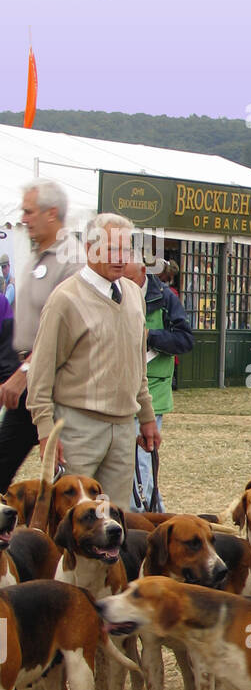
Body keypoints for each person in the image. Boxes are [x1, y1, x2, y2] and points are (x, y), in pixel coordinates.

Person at [26, 213, 160, 504]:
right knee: (74, 520)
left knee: (114, 519)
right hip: (77, 428)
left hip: (125, 428)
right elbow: (41, 372)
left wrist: (146, 416)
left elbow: (137, 364)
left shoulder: (135, 295)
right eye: (111, 249)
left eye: (126, 250)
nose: (120, 258)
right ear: (89, 249)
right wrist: (46, 430)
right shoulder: (65, 299)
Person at [0, 180, 82, 493]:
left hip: (57, 388)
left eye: (29, 211)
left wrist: (24, 373)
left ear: (52, 214)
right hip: (29, 381)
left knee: (69, 484)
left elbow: (62, 334)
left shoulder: (72, 262)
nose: (23, 218)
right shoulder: (37, 258)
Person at [121, 256, 194, 510]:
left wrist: (150, 336)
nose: (125, 283)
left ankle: (143, 517)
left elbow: (186, 339)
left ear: (143, 272)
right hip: (120, 387)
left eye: (129, 279)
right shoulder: (115, 292)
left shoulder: (165, 298)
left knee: (141, 463)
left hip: (153, 388)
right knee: (130, 465)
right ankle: (156, 515)